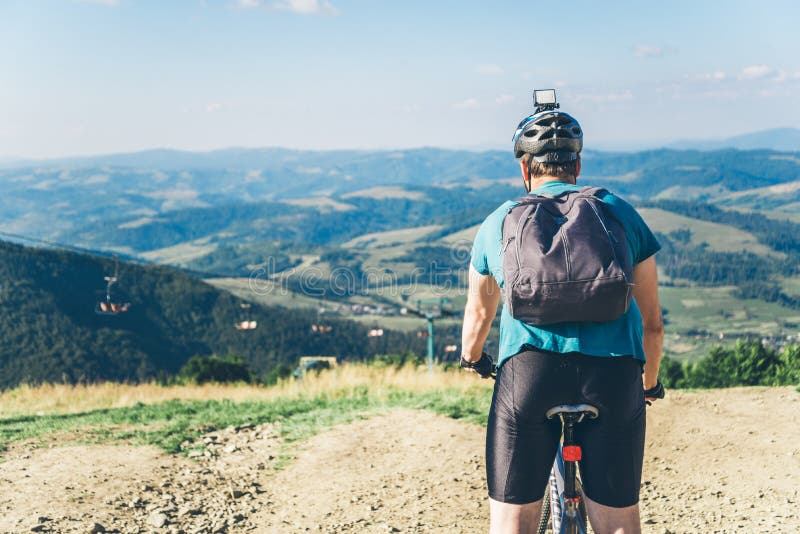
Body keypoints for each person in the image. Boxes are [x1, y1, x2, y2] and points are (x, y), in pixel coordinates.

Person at [460, 100, 664, 534]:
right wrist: (648, 384)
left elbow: (479, 313)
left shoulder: (499, 222)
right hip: (613, 376)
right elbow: (652, 323)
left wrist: (473, 358)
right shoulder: (620, 213)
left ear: (525, 169)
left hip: (530, 376)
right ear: (578, 164)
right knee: (620, 525)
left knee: (511, 526)